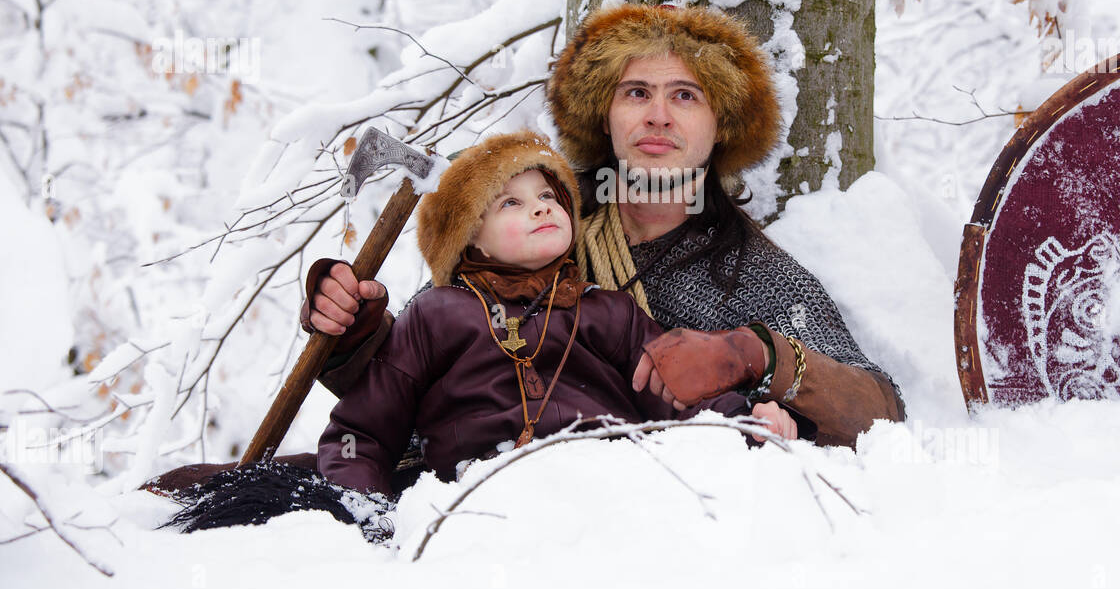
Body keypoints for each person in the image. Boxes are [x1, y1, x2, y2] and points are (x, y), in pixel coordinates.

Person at [310, 3, 903, 460]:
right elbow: (411, 378)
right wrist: (357, 331)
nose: (658, 115)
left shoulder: (755, 271)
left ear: (719, 126)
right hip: (459, 498)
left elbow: (882, 413)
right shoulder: (535, 223)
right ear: (606, 115)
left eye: (686, 96)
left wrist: (753, 353)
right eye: (636, 92)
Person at [315, 129, 797, 496]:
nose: (541, 209)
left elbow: (677, 396)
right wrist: (365, 515)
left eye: (548, 196)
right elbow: (361, 433)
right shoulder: (435, 315)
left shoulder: (609, 311)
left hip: (610, 488)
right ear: (468, 236)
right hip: (480, 501)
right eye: (511, 202)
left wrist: (742, 419)